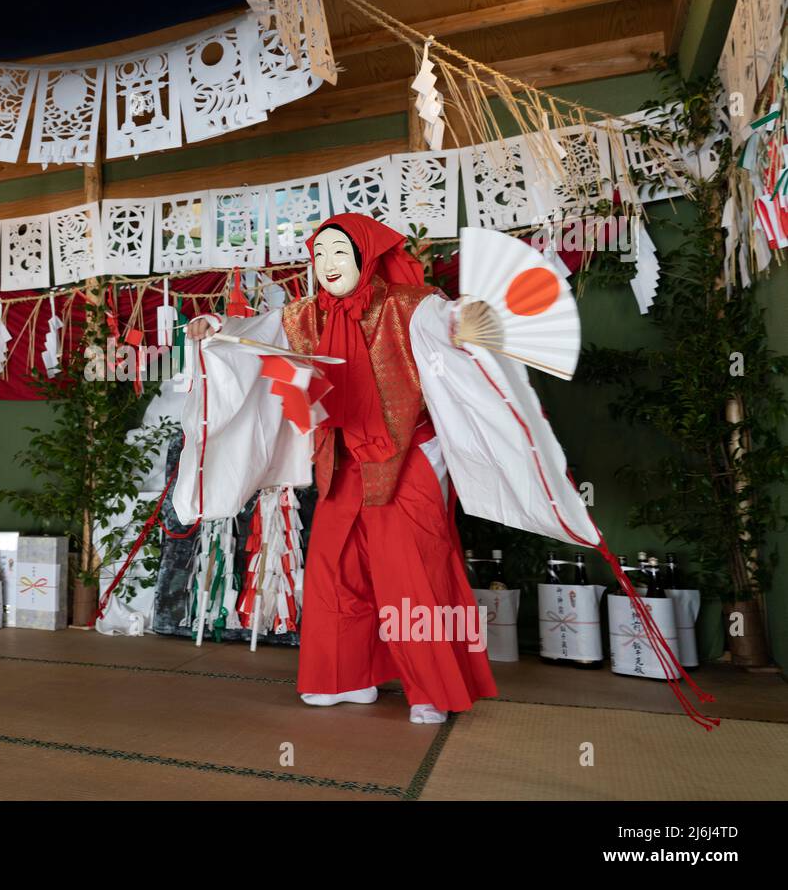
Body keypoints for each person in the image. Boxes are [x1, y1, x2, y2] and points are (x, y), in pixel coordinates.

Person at [177, 213, 589, 724]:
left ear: (364, 257)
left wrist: (472, 323)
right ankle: (343, 677)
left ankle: (429, 688)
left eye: (338, 252)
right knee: (333, 569)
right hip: (340, 459)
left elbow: (452, 328)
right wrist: (215, 329)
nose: (326, 264)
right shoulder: (305, 317)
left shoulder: (410, 307)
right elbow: (251, 336)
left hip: (406, 459)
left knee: (412, 573)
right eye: (319, 253)